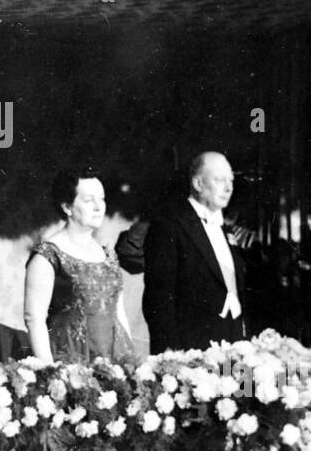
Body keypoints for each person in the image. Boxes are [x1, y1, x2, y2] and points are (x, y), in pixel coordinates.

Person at [24, 169, 136, 366]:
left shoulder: (108, 254)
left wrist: (130, 361)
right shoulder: (48, 255)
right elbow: (34, 319)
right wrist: (49, 373)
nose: (98, 207)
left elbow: (120, 313)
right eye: (88, 200)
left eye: (101, 199)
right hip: (70, 362)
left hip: (115, 358)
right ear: (67, 207)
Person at [143, 151, 247, 354]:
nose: (229, 187)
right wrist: (171, 356)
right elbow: (158, 299)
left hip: (232, 340)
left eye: (231, 180)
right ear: (198, 184)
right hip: (190, 348)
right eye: (219, 180)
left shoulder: (225, 228)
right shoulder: (169, 225)